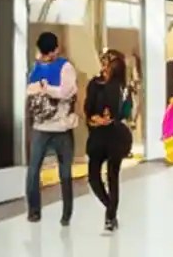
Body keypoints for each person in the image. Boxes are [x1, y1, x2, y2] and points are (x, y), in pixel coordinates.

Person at [25, 31, 79, 225]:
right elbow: (67, 92)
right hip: (60, 129)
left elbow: (31, 91)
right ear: (57, 48)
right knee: (64, 172)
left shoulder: (35, 70)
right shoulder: (65, 67)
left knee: (34, 170)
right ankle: (66, 215)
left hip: (42, 127)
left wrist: (44, 88)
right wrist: (50, 90)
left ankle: (34, 212)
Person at [85, 49, 134, 233]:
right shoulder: (94, 84)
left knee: (113, 175)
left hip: (115, 135)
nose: (105, 65)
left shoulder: (121, 87)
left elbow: (124, 112)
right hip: (97, 135)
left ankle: (110, 216)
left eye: (109, 62)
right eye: (104, 61)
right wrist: (93, 119)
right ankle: (110, 207)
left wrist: (112, 118)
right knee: (93, 177)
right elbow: (88, 109)